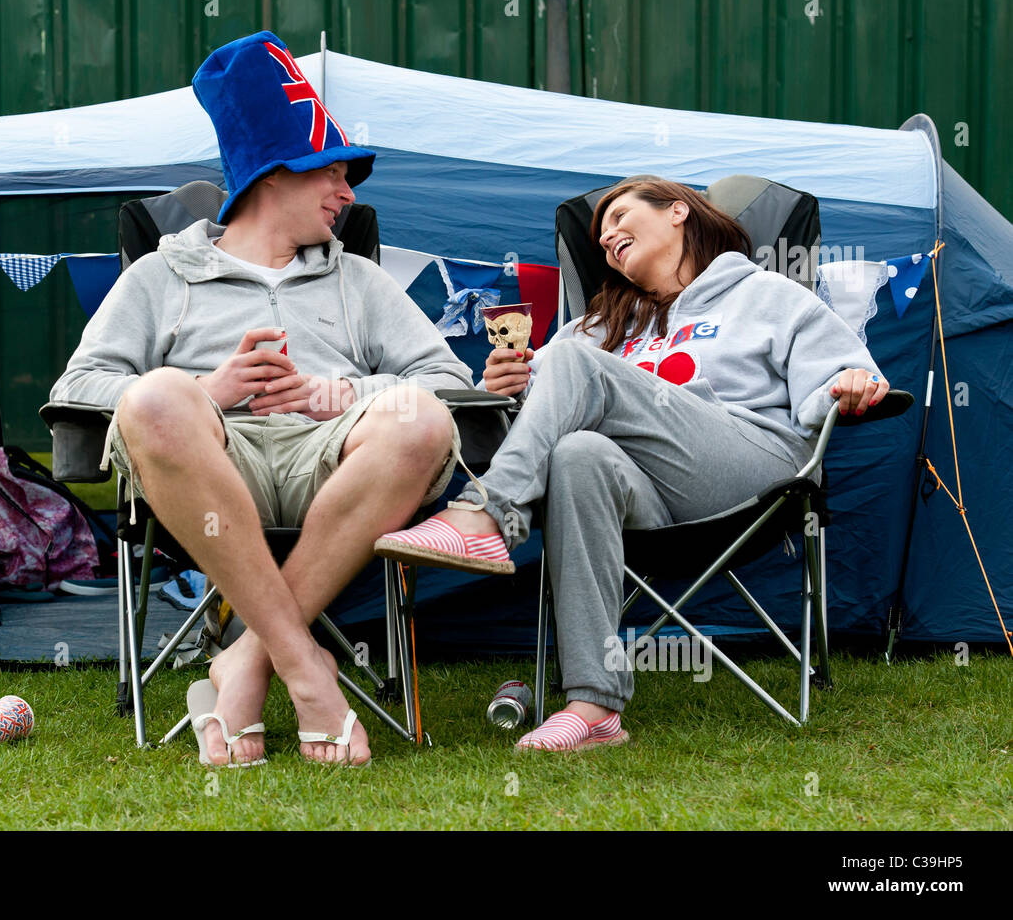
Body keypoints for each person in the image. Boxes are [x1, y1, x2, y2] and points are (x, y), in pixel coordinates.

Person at [50, 31, 472, 767]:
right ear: (272, 177)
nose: (348, 194)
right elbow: (77, 390)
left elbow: (449, 387)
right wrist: (205, 393)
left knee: (419, 420)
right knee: (157, 399)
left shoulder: (359, 281)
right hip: (211, 471)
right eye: (332, 174)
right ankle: (309, 670)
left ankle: (242, 663)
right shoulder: (161, 276)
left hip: (333, 464)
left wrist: (341, 393)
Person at [376, 179, 889, 752]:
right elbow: (519, 432)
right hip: (648, 497)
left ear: (678, 211)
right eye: (599, 238)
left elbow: (838, 380)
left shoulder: (766, 293)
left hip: (755, 474)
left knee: (575, 364)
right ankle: (594, 706)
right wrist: (502, 391)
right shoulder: (597, 325)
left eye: (620, 217)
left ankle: (488, 517)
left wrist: (846, 384)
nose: (608, 238)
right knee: (576, 453)